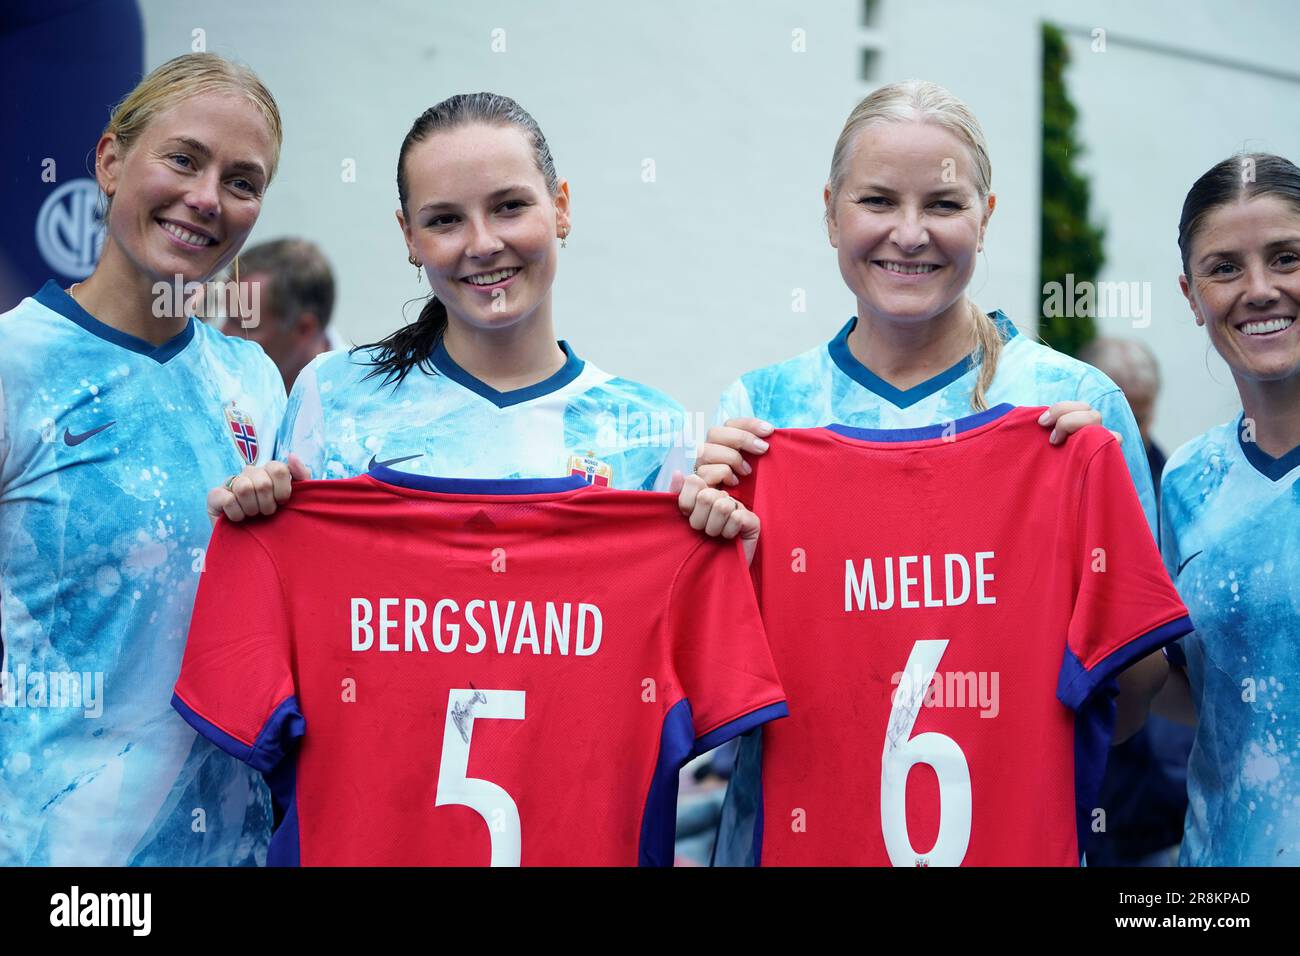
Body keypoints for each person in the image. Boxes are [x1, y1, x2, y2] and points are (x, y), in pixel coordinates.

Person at [701, 80, 1170, 864]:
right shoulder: (761, 416)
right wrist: (709, 548)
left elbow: (1134, 688)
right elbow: (709, 692)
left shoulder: (1074, 405)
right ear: (831, 212)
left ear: (986, 217)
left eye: (945, 206)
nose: (909, 234)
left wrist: (1093, 520)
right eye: (878, 201)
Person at [210, 92, 754, 555]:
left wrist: (737, 543)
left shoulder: (653, 431)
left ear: (560, 207)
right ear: (409, 237)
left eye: (510, 206)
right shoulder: (332, 395)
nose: (484, 244)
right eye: (445, 220)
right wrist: (247, 517)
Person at [0, 53, 287, 865]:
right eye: (184, 159)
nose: (206, 198)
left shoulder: (255, 382)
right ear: (109, 160)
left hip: (234, 849)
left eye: (242, 180)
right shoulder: (16, 365)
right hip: (58, 865)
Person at [1155, 152, 1300, 866]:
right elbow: (1184, 689)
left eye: (1286, 258)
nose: (1261, 289)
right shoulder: (1185, 480)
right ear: (1190, 294)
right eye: (1225, 268)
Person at [1077, 336, 1193, 867]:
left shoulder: (1178, 489)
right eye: (1126, 415)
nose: (1136, 435)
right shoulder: (1064, 486)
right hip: (1096, 780)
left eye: (1143, 418)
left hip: (1160, 786)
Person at [221, 237, 335, 392]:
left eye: (243, 326)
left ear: (304, 329)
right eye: (227, 318)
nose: (222, 334)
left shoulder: (354, 405)